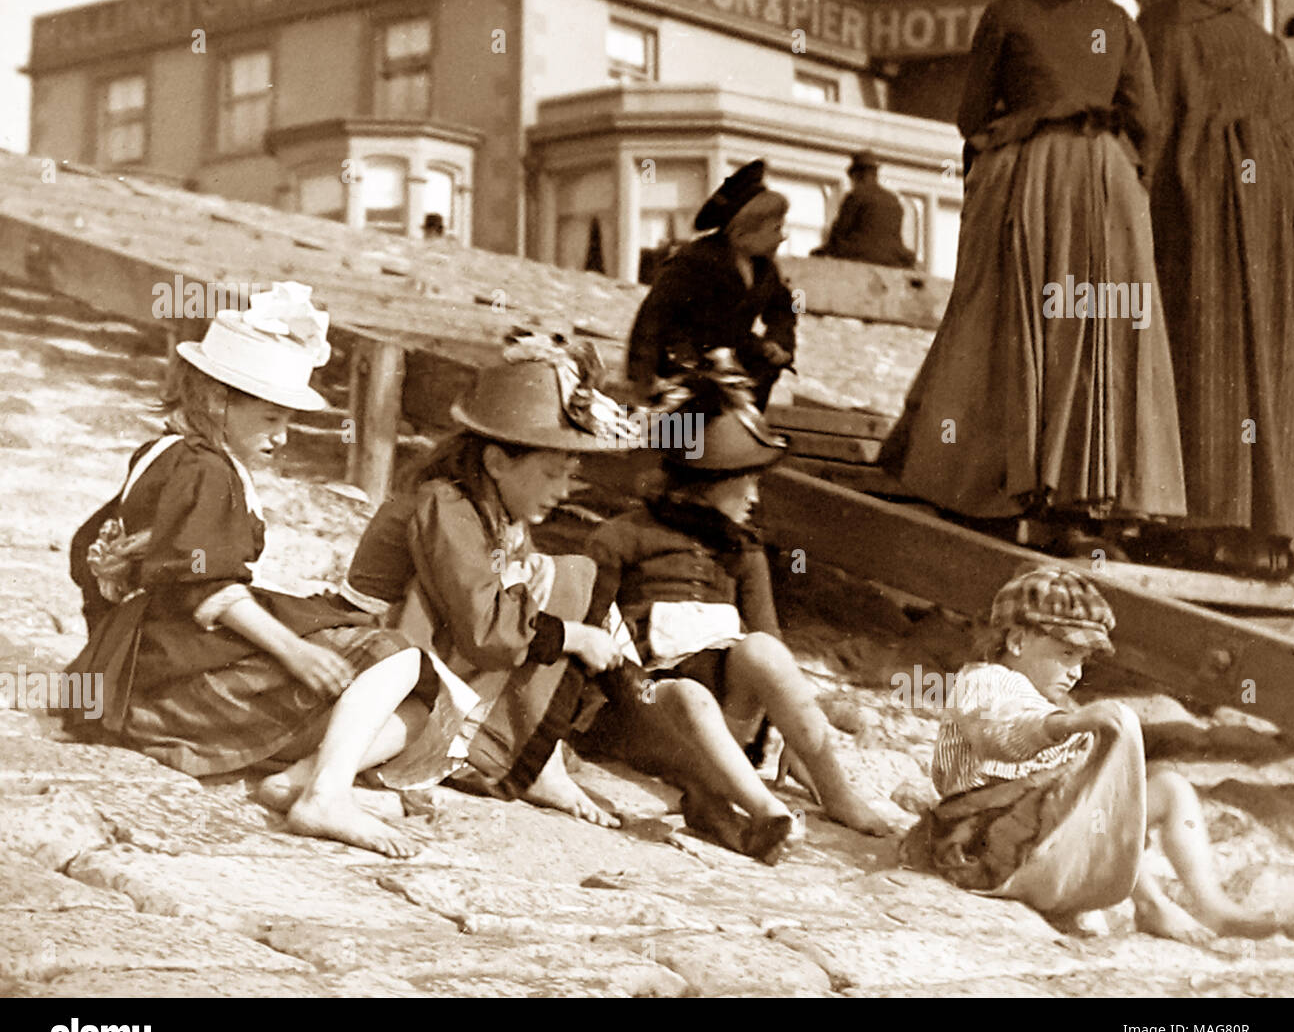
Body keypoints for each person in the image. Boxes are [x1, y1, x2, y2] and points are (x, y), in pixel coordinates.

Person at [64, 283, 430, 858]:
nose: (282, 438)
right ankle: (326, 796)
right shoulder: (204, 472)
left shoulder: (164, 453)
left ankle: (300, 779)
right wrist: (296, 650)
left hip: (140, 679)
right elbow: (207, 589)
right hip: (167, 682)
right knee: (396, 657)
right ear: (218, 403)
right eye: (271, 419)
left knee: (410, 709)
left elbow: (104, 554)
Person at [877, 0, 1186, 551]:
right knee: (1093, 333)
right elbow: (1148, 121)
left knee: (1006, 321)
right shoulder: (1116, 20)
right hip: (1108, 181)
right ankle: (1084, 499)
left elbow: (968, 115)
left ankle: (995, 486)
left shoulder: (1006, 13)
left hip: (1032, 173)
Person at [577, 363, 894, 861]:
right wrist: (634, 694)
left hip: (725, 720)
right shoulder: (620, 538)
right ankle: (765, 811)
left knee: (763, 650)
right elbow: (595, 639)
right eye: (745, 482)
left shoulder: (743, 551)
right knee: (690, 695)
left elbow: (769, 646)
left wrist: (797, 726)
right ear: (705, 481)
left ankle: (837, 792)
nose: (754, 497)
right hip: (645, 710)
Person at [342, 334, 631, 828]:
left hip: (426, 644)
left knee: (563, 572)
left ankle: (536, 753)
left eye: (570, 476)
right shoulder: (446, 504)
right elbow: (484, 628)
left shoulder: (493, 507)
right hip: (377, 649)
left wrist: (529, 568)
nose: (562, 493)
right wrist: (576, 636)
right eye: (550, 475)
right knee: (571, 582)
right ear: (497, 461)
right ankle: (520, 757)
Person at [912, 565, 1291, 942]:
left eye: (1083, 659)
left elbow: (1099, 796)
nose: (1076, 671)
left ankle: (1211, 908)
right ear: (1016, 642)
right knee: (1109, 752)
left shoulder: (1051, 697)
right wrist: (1068, 725)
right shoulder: (984, 683)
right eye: (1066, 653)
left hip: (1035, 840)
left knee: (1169, 787)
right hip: (981, 849)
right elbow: (1001, 734)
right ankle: (1155, 905)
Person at [1118, 0, 1294, 577]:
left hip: (1193, 216)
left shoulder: (1161, 30)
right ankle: (1270, 533)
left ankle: (1192, 527)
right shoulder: (1262, 40)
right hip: (1272, 221)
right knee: (1266, 372)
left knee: (1198, 363)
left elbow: (1145, 130)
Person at [626, 159, 794, 411]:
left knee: (764, 366)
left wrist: (778, 343)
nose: (783, 236)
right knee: (701, 398)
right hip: (686, 359)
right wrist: (642, 377)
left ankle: (744, 431)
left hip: (732, 358)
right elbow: (653, 316)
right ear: (741, 234)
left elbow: (783, 309)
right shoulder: (694, 261)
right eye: (776, 228)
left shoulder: (765, 269)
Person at [811, 150, 917, 267]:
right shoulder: (893, 199)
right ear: (875, 174)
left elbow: (840, 232)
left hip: (861, 254)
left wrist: (824, 249)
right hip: (892, 257)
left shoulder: (855, 196)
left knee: (819, 254)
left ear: (857, 176)